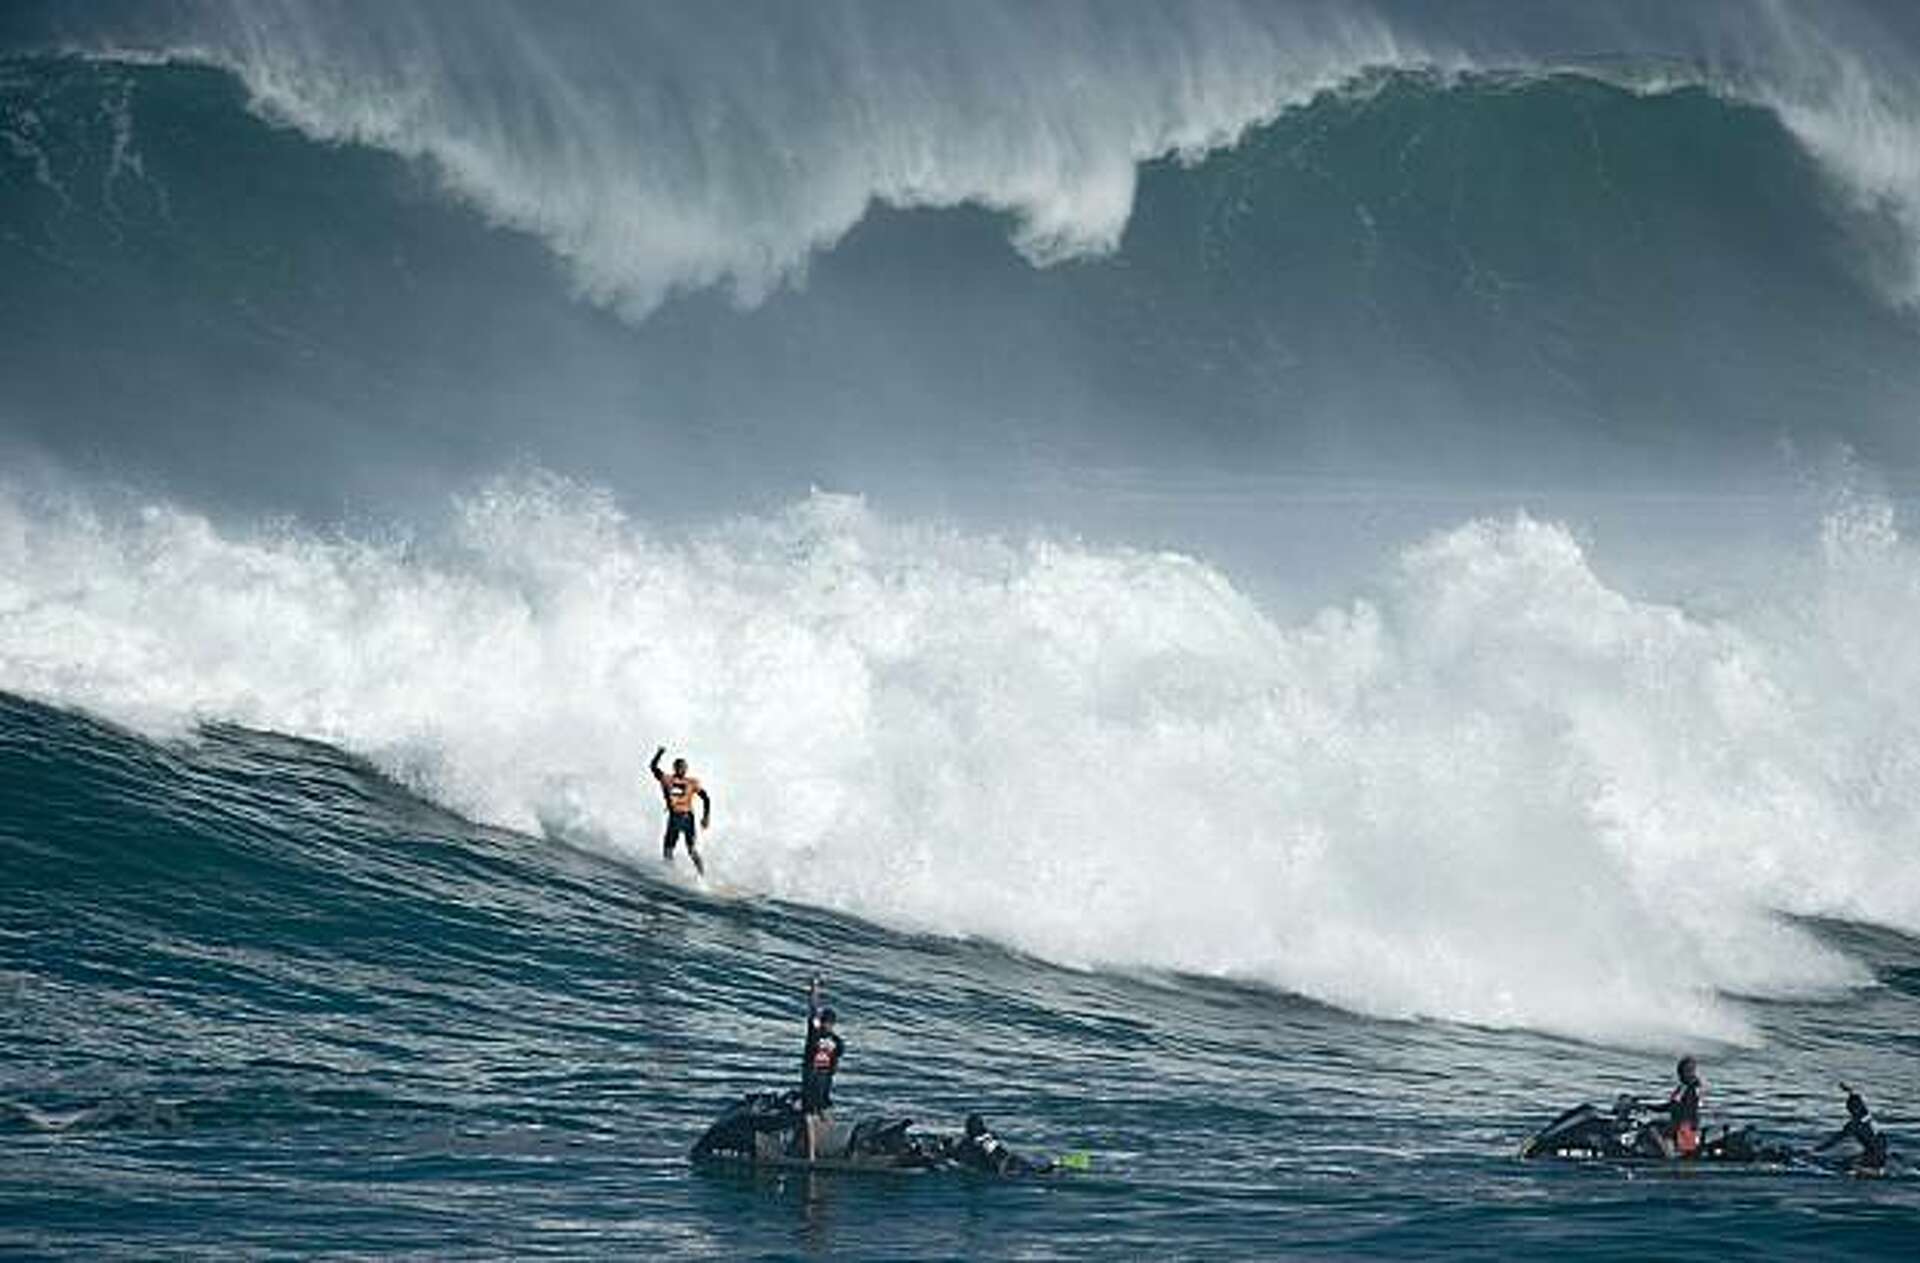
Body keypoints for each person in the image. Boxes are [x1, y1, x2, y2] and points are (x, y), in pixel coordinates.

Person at [800, 974, 843, 1161]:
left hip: (812, 1079)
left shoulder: (815, 1035)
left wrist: (814, 989)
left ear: (823, 1022)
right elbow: (836, 1063)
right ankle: (837, 1146)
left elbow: (813, 1009)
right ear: (833, 1024)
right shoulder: (837, 1041)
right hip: (825, 1081)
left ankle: (811, 1156)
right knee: (825, 1111)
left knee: (809, 1116)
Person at [649, 746, 711, 877]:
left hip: (687, 817)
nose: (682, 769)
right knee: (668, 849)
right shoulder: (666, 779)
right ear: (675, 768)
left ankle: (702, 877)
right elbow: (653, 767)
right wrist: (659, 754)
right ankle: (670, 874)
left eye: (684, 767)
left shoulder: (692, 782)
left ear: (686, 769)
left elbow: (706, 798)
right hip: (675, 817)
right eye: (679, 767)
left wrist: (706, 817)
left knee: (691, 850)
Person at [1814, 1084, 1890, 1172]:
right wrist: (1849, 1091)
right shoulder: (1866, 1115)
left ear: (1850, 1110)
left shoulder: (1853, 1125)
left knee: (1842, 1167)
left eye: (1848, 1108)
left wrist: (1816, 1150)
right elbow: (1858, 1101)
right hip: (1883, 1154)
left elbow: (1835, 1139)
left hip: (1873, 1157)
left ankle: (1870, 1169)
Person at [949, 1112, 1050, 1176]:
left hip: (1005, 1168)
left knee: (1036, 1173)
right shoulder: (990, 1136)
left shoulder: (966, 1144)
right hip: (1013, 1160)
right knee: (1036, 1170)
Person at [1657, 1055, 1705, 1158]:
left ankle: (1670, 1158)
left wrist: (1651, 1108)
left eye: (1689, 1070)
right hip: (1689, 1123)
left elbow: (1674, 1105)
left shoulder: (1688, 1087)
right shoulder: (1695, 1087)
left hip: (1683, 1124)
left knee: (1659, 1133)